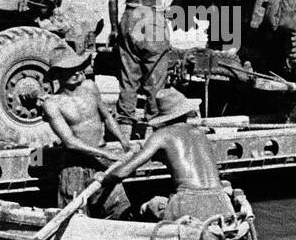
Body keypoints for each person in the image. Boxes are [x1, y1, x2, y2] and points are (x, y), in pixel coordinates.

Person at [101, 88, 236, 224]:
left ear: (164, 116)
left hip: (188, 205)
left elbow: (122, 173)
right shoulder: (201, 134)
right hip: (221, 203)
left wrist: (104, 178)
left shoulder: (162, 135)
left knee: (149, 206)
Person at [40, 46, 133, 219]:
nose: (77, 72)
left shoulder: (90, 87)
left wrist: (124, 141)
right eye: (70, 69)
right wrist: (107, 154)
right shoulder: (53, 104)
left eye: (78, 67)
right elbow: (69, 142)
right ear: (58, 74)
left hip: (101, 162)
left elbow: (107, 117)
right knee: (74, 217)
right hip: (74, 166)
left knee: (119, 211)